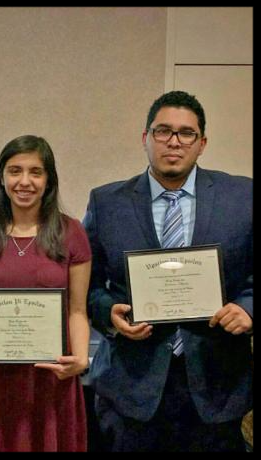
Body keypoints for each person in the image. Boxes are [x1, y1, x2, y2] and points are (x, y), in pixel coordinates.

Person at [83, 90, 252, 452]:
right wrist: (109, 314)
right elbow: (87, 285)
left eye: (186, 133)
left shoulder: (242, 197)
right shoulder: (107, 202)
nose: (174, 142)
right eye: (163, 131)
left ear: (202, 143)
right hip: (130, 391)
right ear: (145, 138)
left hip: (217, 390)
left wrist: (248, 309)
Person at [0, 135, 91, 451]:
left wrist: (81, 359)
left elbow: (77, 310)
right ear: (1, 178)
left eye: (36, 172)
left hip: (52, 373)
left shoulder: (71, 232)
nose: (25, 181)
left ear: (48, 180)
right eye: (15, 171)